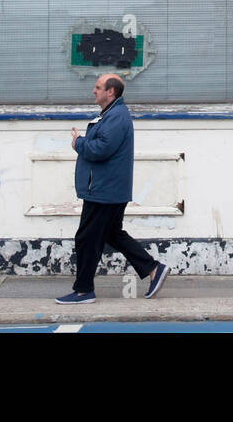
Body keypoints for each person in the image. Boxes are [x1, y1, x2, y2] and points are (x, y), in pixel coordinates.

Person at [56, 73, 169, 304]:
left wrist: (79, 142)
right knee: (111, 234)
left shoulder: (116, 116)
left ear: (111, 92)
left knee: (87, 238)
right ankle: (153, 269)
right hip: (107, 189)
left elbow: (101, 149)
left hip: (105, 191)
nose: (93, 90)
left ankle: (83, 290)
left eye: (98, 87)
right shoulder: (111, 114)